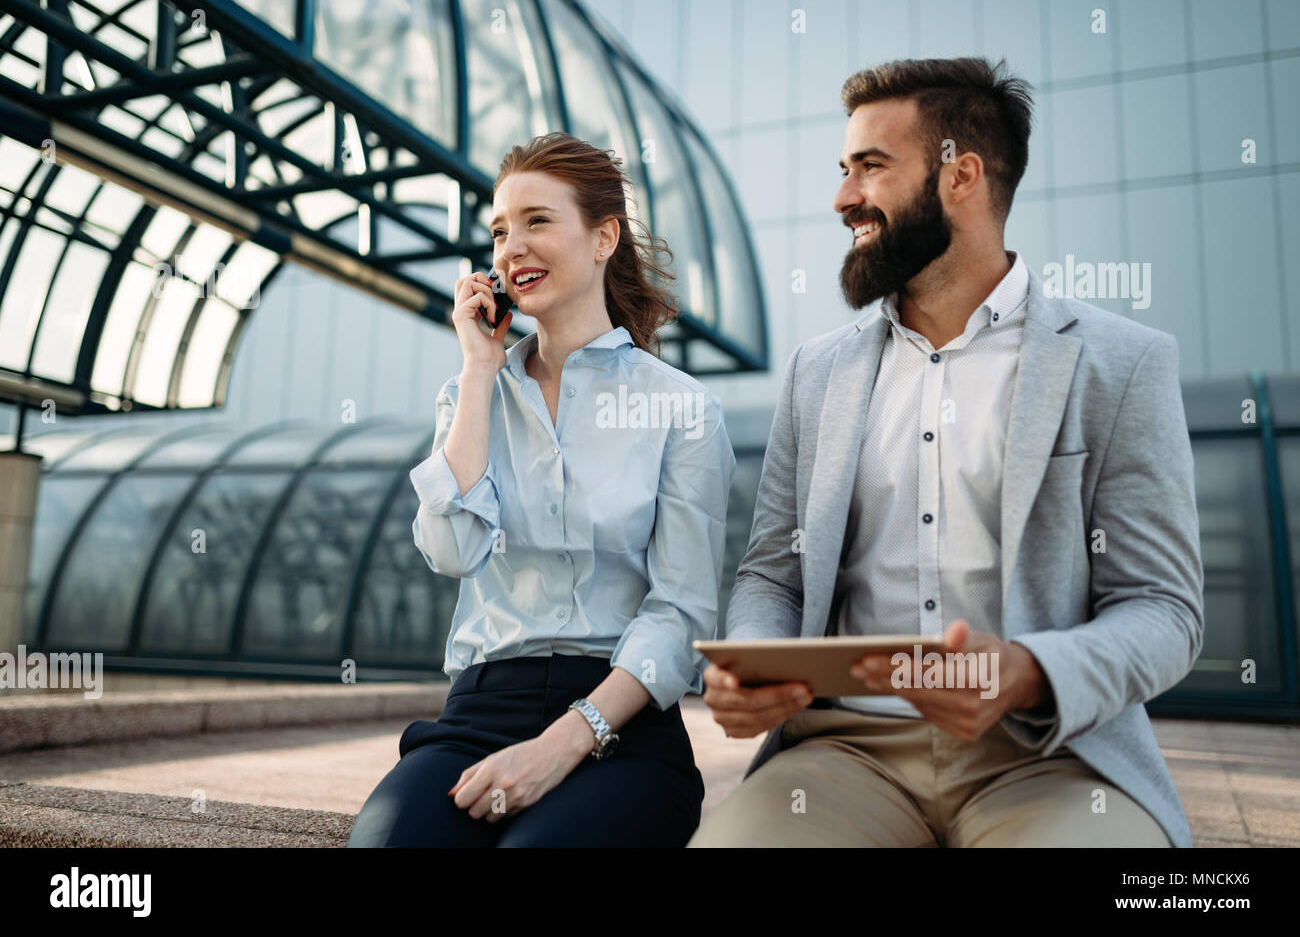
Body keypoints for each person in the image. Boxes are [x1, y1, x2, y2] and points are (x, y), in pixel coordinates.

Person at [689, 57, 1204, 848]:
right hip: (844, 753)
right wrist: (755, 663)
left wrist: (1028, 672)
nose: (843, 198)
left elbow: (1164, 609)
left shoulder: (1122, 362)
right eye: (843, 170)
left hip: (1051, 755)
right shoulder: (816, 373)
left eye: (870, 167)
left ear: (960, 176)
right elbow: (772, 575)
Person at [347, 132, 736, 848]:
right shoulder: (469, 394)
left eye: (537, 221)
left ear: (603, 238)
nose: (511, 247)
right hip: (480, 708)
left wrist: (564, 742)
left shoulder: (681, 408)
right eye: (500, 231)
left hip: (622, 722)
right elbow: (453, 552)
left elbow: (679, 613)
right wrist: (478, 370)